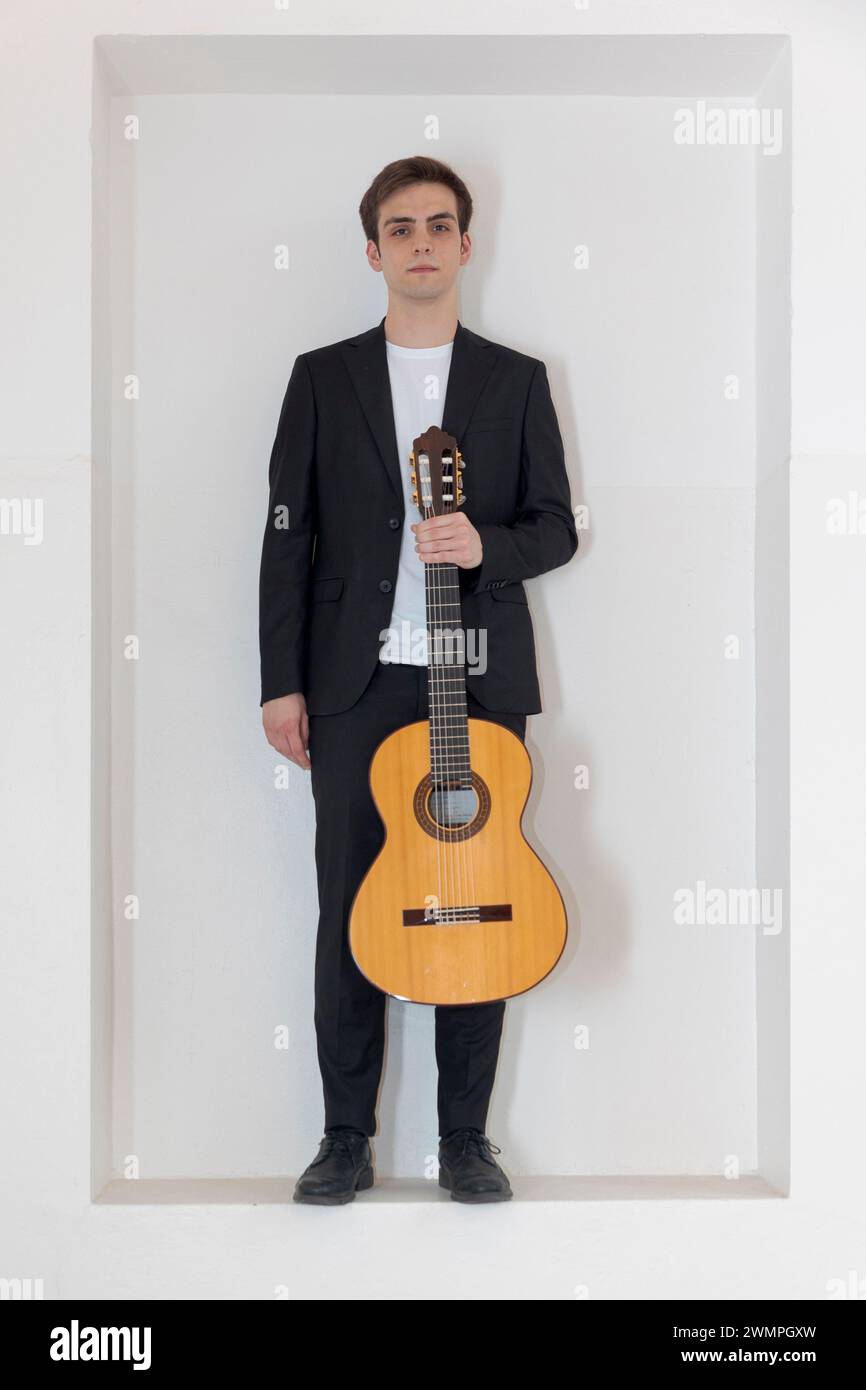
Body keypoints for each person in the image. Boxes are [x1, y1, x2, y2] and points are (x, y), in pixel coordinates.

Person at [259, 155, 578, 1204]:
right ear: (374, 250)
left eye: (440, 224)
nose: (422, 242)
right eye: (401, 228)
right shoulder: (322, 376)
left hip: (476, 683)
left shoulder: (515, 378)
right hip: (354, 686)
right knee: (350, 908)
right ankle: (344, 1135)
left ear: (465, 244)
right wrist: (280, 682)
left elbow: (553, 530)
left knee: (482, 900)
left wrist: (480, 542)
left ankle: (464, 1142)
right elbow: (284, 542)